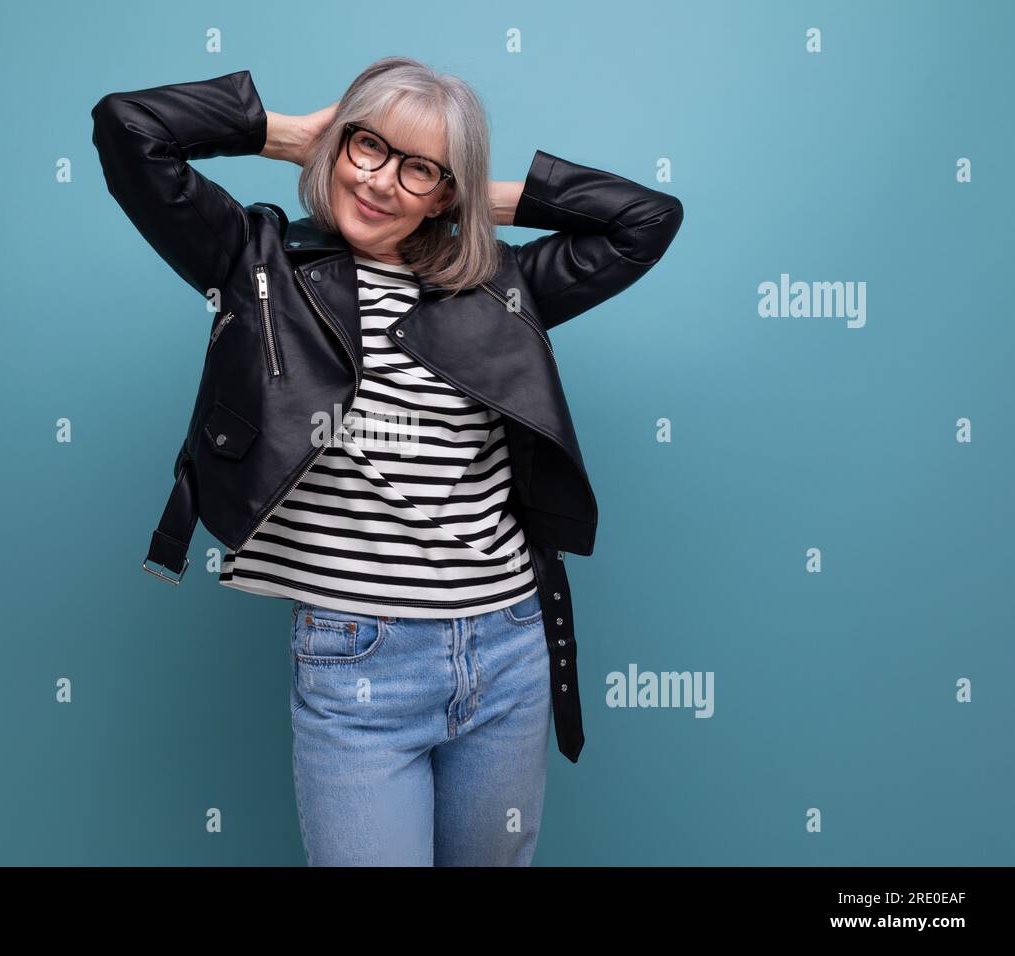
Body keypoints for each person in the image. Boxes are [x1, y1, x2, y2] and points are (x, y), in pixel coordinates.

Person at [91, 55, 684, 865]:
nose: (379, 182)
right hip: (356, 663)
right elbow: (128, 127)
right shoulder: (255, 260)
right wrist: (284, 135)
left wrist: (469, 202)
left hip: (508, 641)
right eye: (366, 147)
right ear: (339, 144)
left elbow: (646, 219)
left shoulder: (499, 285)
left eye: (418, 170)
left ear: (446, 191)